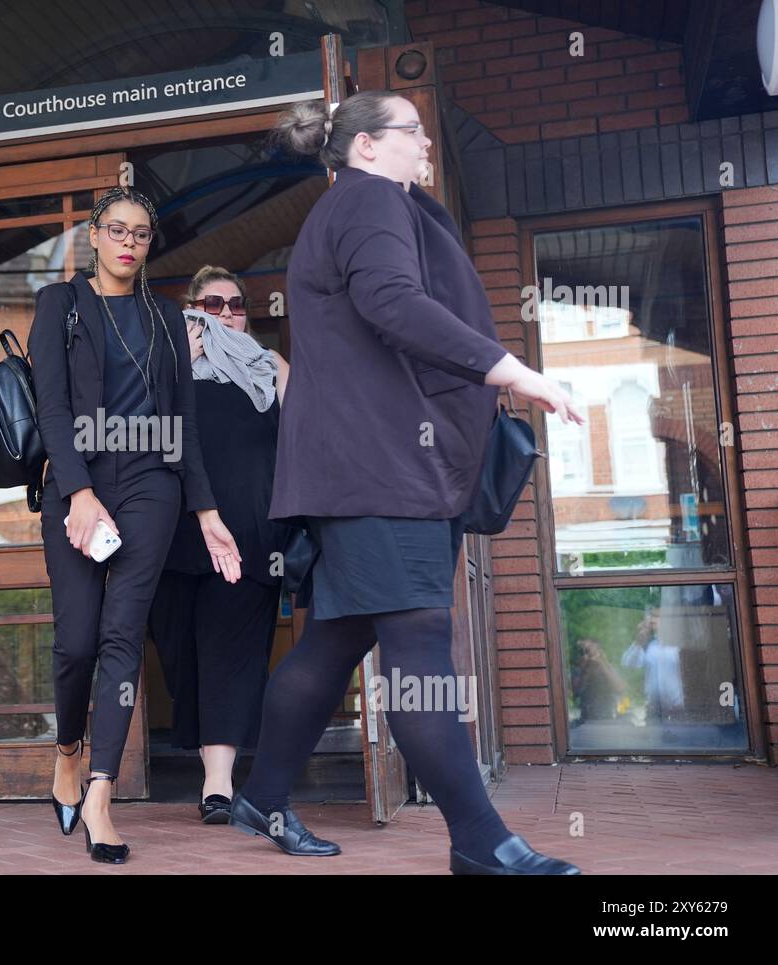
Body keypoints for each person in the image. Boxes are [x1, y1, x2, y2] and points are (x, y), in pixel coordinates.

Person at [229, 91, 585, 875]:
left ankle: (261, 794)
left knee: (338, 634)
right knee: (420, 642)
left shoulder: (367, 202)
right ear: (364, 147)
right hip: (379, 469)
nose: (427, 141)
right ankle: (480, 840)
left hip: (367, 467)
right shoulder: (368, 201)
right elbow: (393, 302)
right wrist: (516, 372)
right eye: (412, 131)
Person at [28, 186, 242, 864]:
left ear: (149, 244)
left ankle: (99, 796)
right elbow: (53, 411)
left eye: (141, 234)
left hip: (150, 484)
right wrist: (80, 493)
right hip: (77, 483)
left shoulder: (164, 318)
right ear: (93, 235)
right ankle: (67, 749)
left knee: (123, 637)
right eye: (116, 230)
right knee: (77, 642)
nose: (128, 242)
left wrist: (207, 511)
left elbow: (184, 427)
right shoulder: (59, 305)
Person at [147, 265, 289, 824]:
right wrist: (170, 366)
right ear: (192, 308)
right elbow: (135, 428)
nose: (227, 314)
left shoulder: (269, 366)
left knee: (232, 655)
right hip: (176, 533)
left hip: (250, 533)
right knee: (183, 654)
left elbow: (310, 430)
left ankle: (218, 785)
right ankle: (210, 766)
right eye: (213, 304)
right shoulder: (169, 362)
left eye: (237, 305)